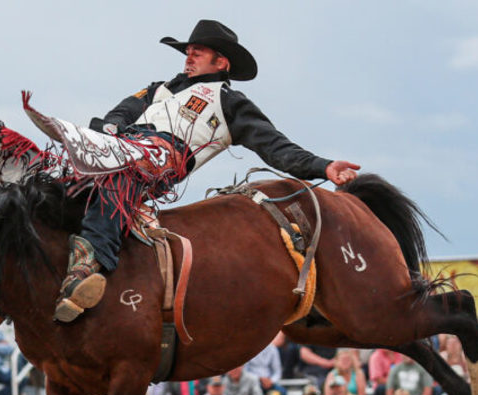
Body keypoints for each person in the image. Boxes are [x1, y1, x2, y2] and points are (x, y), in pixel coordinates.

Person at [50, 19, 360, 323]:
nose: (189, 56)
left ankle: (86, 269)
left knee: (120, 175)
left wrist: (324, 166)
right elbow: (121, 112)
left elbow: (276, 146)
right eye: (188, 51)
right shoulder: (157, 89)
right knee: (54, 184)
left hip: (157, 161)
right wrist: (108, 130)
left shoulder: (229, 103)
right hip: (118, 146)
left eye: (198, 51)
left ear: (221, 62)